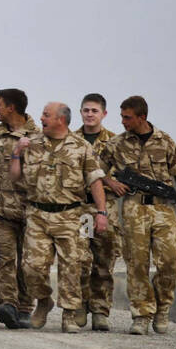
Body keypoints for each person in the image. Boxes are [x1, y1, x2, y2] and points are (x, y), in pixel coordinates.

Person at [10, 102, 109, 333]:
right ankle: (43, 300)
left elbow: (95, 181)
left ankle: (69, 314)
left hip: (72, 215)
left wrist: (101, 213)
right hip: (37, 215)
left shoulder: (81, 147)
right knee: (31, 267)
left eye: (46, 115)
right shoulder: (31, 144)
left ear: (60, 120)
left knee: (73, 267)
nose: (41, 118)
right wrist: (16, 153)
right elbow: (15, 178)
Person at [101, 96, 176, 335]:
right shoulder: (115, 144)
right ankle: (141, 315)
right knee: (137, 264)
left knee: (169, 261)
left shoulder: (164, 141)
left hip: (164, 208)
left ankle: (162, 308)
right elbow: (95, 170)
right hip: (134, 208)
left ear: (142, 117)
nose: (123, 121)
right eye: (122, 116)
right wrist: (111, 183)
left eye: (127, 117)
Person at [0, 88, 39, 329]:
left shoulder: (38, 137)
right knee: (6, 258)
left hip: (30, 211)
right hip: (1, 210)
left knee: (27, 261)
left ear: (11, 108)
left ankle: (26, 307)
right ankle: (7, 304)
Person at [74, 93, 119, 331]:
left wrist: (108, 180)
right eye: (86, 110)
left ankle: (100, 311)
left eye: (94, 111)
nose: (90, 115)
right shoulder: (71, 140)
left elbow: (125, 173)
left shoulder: (115, 141)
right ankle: (80, 304)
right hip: (81, 206)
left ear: (104, 114)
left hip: (105, 208)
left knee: (104, 260)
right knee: (80, 259)